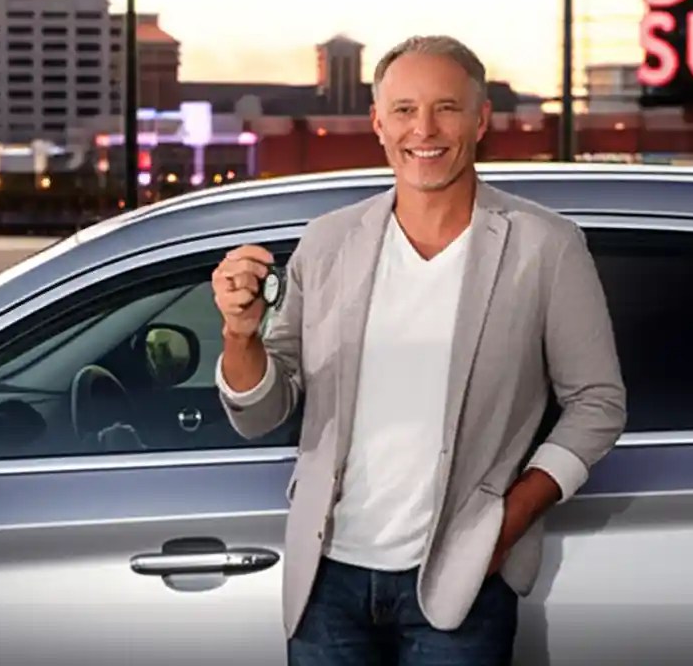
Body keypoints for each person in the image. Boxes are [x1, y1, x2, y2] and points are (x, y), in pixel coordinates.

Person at [212, 34, 626, 665]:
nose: (423, 129)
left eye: (447, 108)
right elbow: (264, 412)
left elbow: (597, 403)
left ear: (481, 119)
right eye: (404, 110)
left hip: (459, 583)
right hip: (326, 583)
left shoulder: (544, 246)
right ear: (378, 122)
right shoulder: (328, 244)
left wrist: (508, 521)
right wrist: (239, 337)